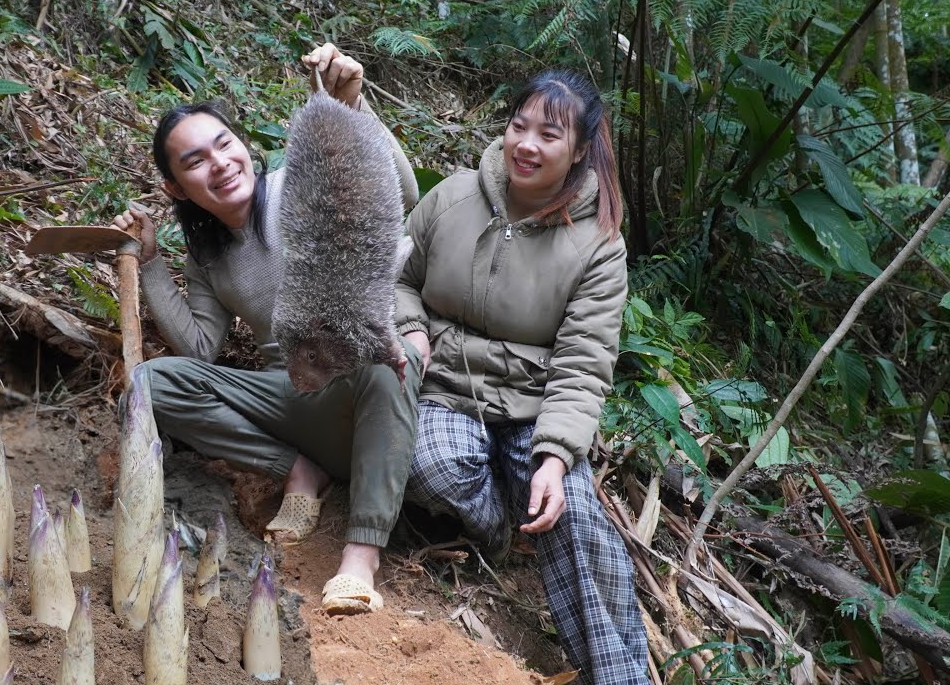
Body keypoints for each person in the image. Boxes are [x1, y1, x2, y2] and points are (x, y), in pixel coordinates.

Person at [113, 43, 422, 615]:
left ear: (245, 147)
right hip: (294, 392)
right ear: (177, 188)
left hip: (365, 372)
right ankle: (297, 469)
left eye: (225, 144)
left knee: (390, 358)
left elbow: (399, 195)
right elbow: (200, 348)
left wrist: (355, 108)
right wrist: (152, 262)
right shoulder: (207, 257)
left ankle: (361, 556)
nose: (220, 163)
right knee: (149, 385)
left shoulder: (296, 185)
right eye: (195, 161)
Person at [396, 69, 650, 683]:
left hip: (534, 403)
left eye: (549, 134)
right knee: (433, 465)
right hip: (446, 386)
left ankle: (620, 676)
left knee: (576, 518)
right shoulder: (453, 197)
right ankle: (499, 535)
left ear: (581, 150)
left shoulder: (599, 245)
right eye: (519, 126)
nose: (527, 145)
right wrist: (409, 325)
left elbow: (584, 362)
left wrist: (557, 461)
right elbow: (399, 274)